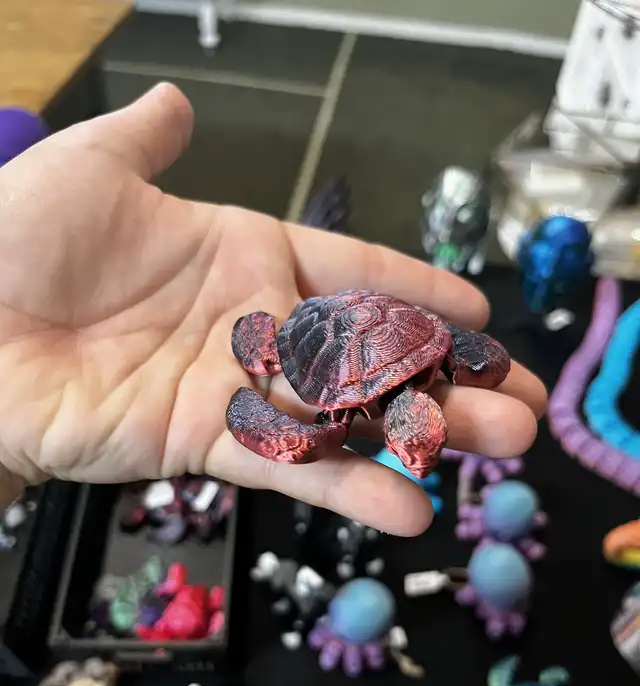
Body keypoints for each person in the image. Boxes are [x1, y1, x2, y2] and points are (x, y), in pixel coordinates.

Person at [0, 83, 546, 536]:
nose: (416, 460)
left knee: (491, 369)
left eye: (416, 449)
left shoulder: (438, 351)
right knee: (305, 440)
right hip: (333, 327)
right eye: (415, 448)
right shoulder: (359, 400)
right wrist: (251, 410)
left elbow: (480, 355)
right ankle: (262, 344)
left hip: (385, 322)